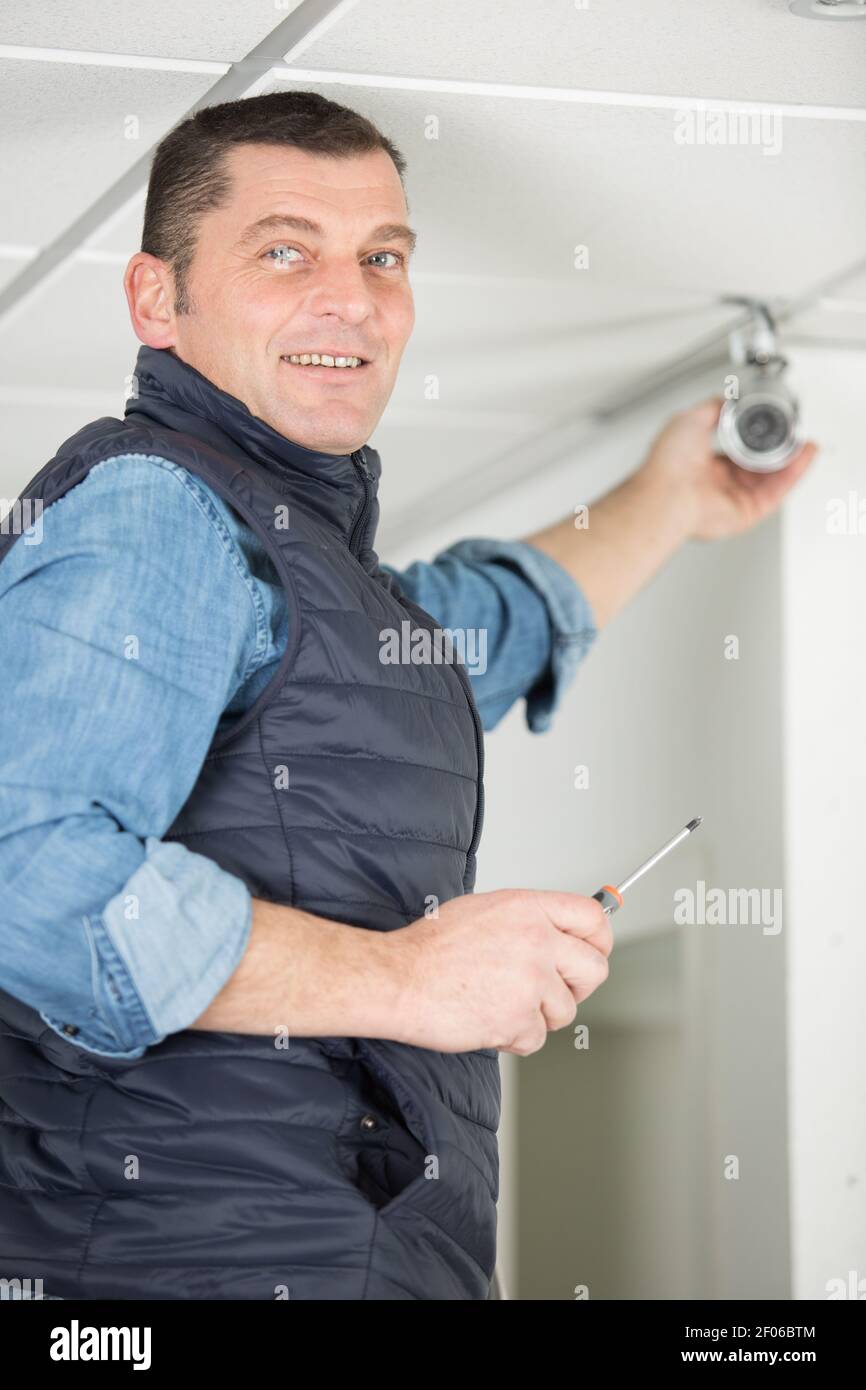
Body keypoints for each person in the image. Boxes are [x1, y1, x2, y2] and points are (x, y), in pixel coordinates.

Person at [0, 90, 815, 1302]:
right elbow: (33, 873)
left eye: (383, 258)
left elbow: (452, 641)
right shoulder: (153, 510)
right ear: (156, 300)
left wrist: (669, 502)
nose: (352, 299)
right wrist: (407, 979)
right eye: (285, 252)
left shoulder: (302, 566)